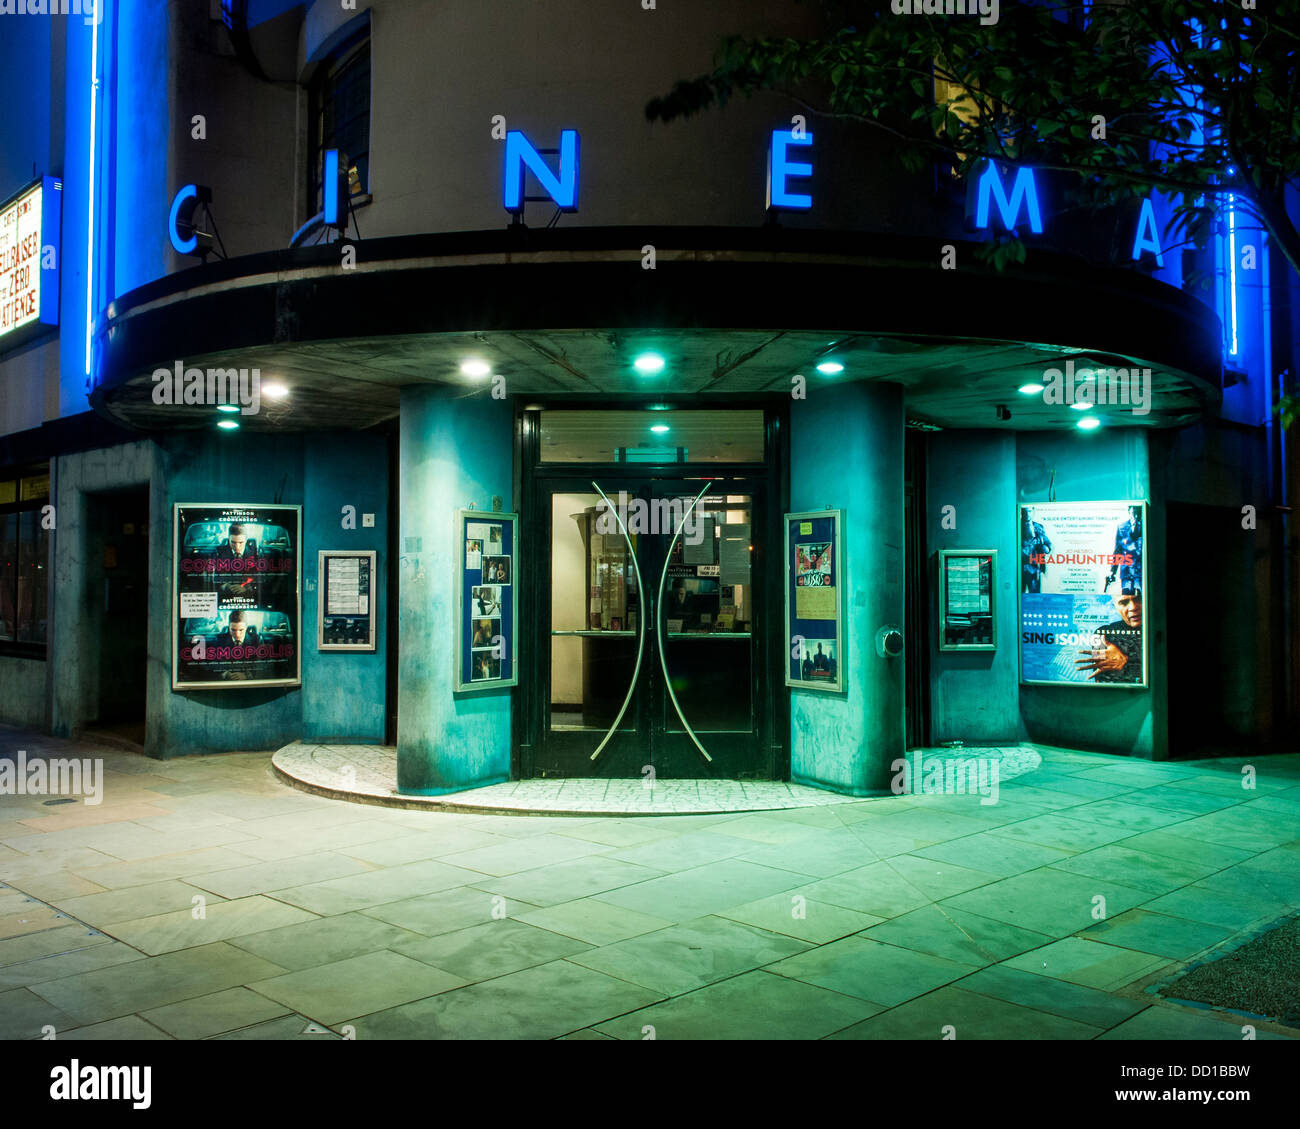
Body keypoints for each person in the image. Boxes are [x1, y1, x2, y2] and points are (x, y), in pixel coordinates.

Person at [1076, 588, 1143, 683]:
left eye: (1138, 599)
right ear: (1115, 606)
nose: (1133, 607)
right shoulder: (1101, 634)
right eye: (1124, 602)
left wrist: (1126, 662)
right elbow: (1100, 678)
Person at [1104, 505, 1143, 593]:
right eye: (1134, 513)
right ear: (1129, 512)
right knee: (1126, 596)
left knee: (1141, 598)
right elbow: (1118, 550)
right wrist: (1113, 570)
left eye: (1138, 513)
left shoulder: (1146, 526)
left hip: (1141, 571)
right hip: (1127, 571)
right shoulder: (1122, 527)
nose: (1136, 516)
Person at [1021, 509, 1052, 593]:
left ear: (1033, 511)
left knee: (1035, 596)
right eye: (1025, 511)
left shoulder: (1038, 526)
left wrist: (1046, 548)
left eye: (1029, 511)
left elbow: (1048, 543)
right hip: (1020, 568)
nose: (1027, 514)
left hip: (1035, 567)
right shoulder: (1015, 526)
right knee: (1019, 596)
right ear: (1021, 512)